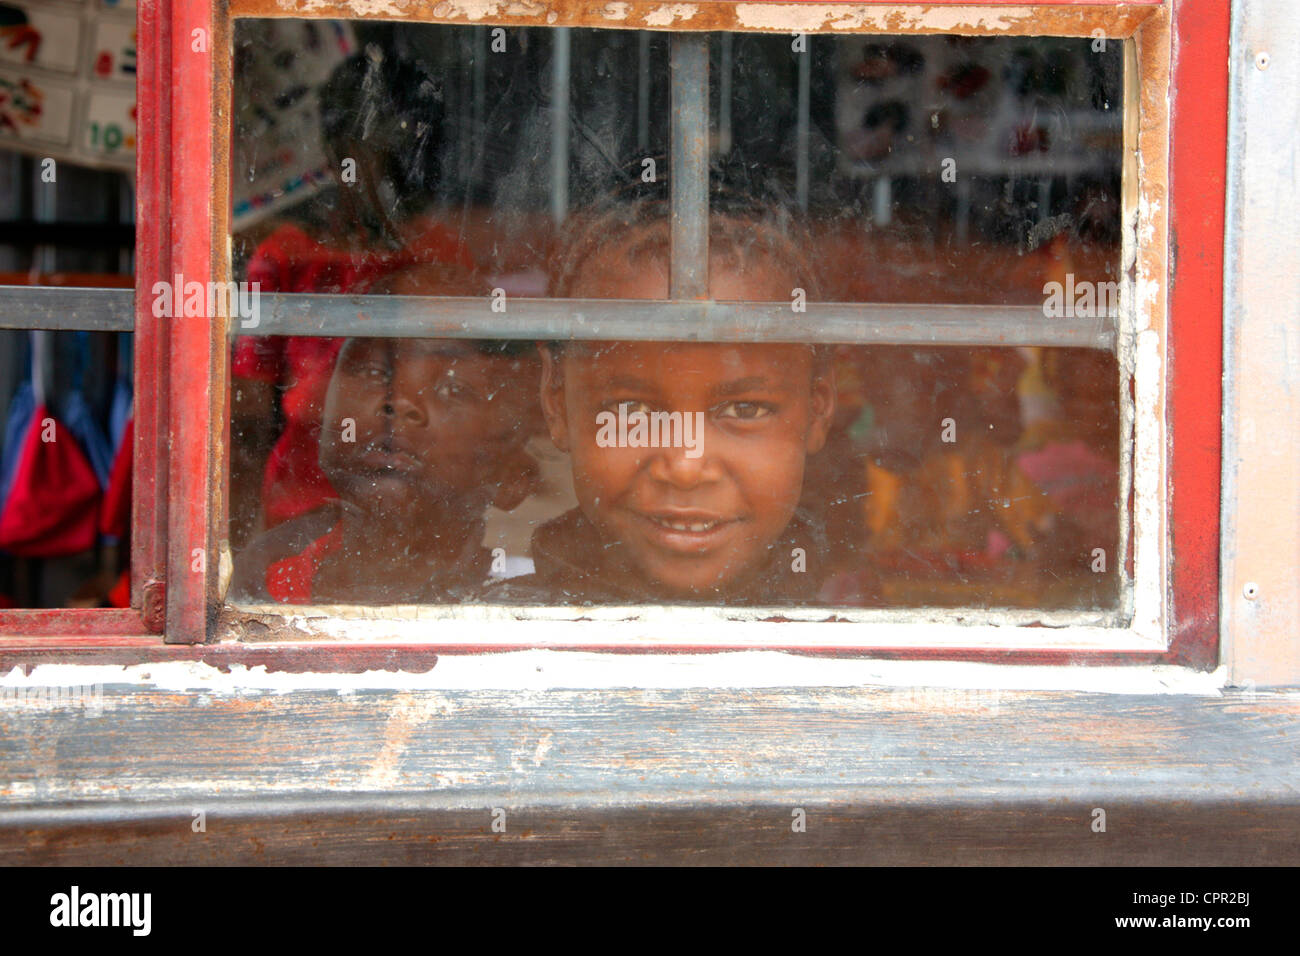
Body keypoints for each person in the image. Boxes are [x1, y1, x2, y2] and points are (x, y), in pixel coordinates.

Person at [483, 200, 837, 605]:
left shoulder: (871, 618)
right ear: (555, 398)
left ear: (817, 409)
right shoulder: (482, 621)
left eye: (744, 409)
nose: (686, 468)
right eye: (632, 409)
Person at [231, 48, 475, 542]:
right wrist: (237, 541)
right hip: (303, 507)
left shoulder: (445, 257)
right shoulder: (288, 257)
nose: (376, 170)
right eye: (360, 149)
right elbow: (249, 415)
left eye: (398, 150)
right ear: (332, 150)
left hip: (421, 506)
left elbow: (471, 394)